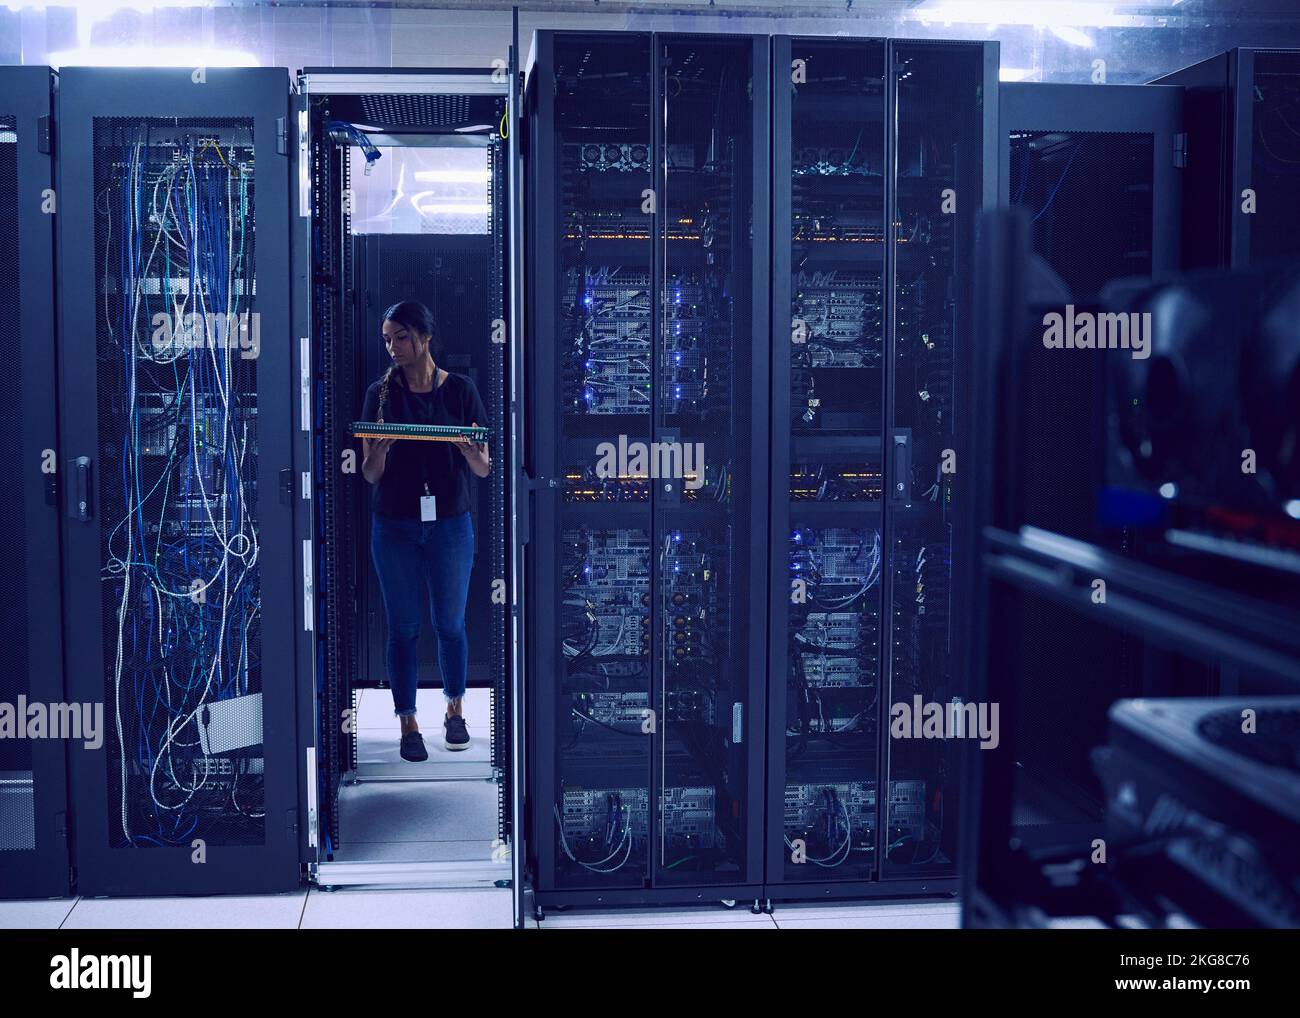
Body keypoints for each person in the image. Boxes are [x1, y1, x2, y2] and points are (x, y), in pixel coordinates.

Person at [359, 300, 490, 759]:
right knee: (403, 627)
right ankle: (408, 722)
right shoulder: (380, 395)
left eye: (401, 337)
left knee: (450, 624)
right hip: (394, 525)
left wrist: (469, 451)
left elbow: (483, 467)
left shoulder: (460, 391)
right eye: (387, 339)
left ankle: (455, 709)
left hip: (450, 524)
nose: (393, 347)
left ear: (425, 337)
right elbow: (370, 474)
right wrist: (378, 452)